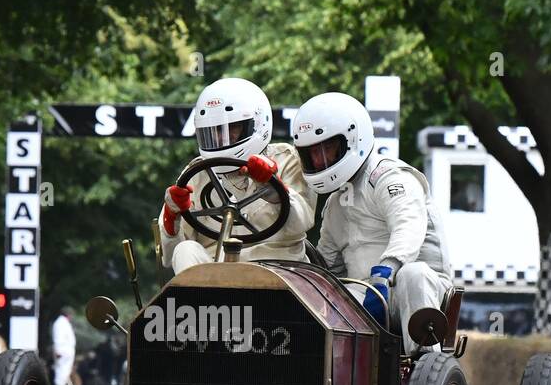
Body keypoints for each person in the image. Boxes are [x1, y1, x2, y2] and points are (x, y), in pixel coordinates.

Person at [292, 91, 453, 353]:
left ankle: (423, 361)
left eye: (327, 149)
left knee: (414, 274)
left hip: (418, 293)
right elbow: (327, 266)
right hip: (364, 298)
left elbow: (408, 225)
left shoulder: (389, 178)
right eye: (312, 155)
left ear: (353, 139)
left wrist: (385, 272)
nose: (320, 161)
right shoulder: (334, 205)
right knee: (315, 304)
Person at [158, 77, 314, 273]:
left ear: (257, 124)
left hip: (278, 270)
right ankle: (201, 300)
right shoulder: (196, 173)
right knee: (184, 249)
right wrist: (172, 217)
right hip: (217, 276)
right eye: (213, 131)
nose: (221, 138)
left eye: (232, 128)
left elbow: (301, 224)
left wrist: (273, 188)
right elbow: (169, 258)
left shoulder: (286, 159)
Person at [51, 307, 76, 385]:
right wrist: (58, 351)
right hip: (63, 351)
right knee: (61, 369)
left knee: (64, 370)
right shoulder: (60, 323)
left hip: (66, 351)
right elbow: (58, 338)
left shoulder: (63, 323)